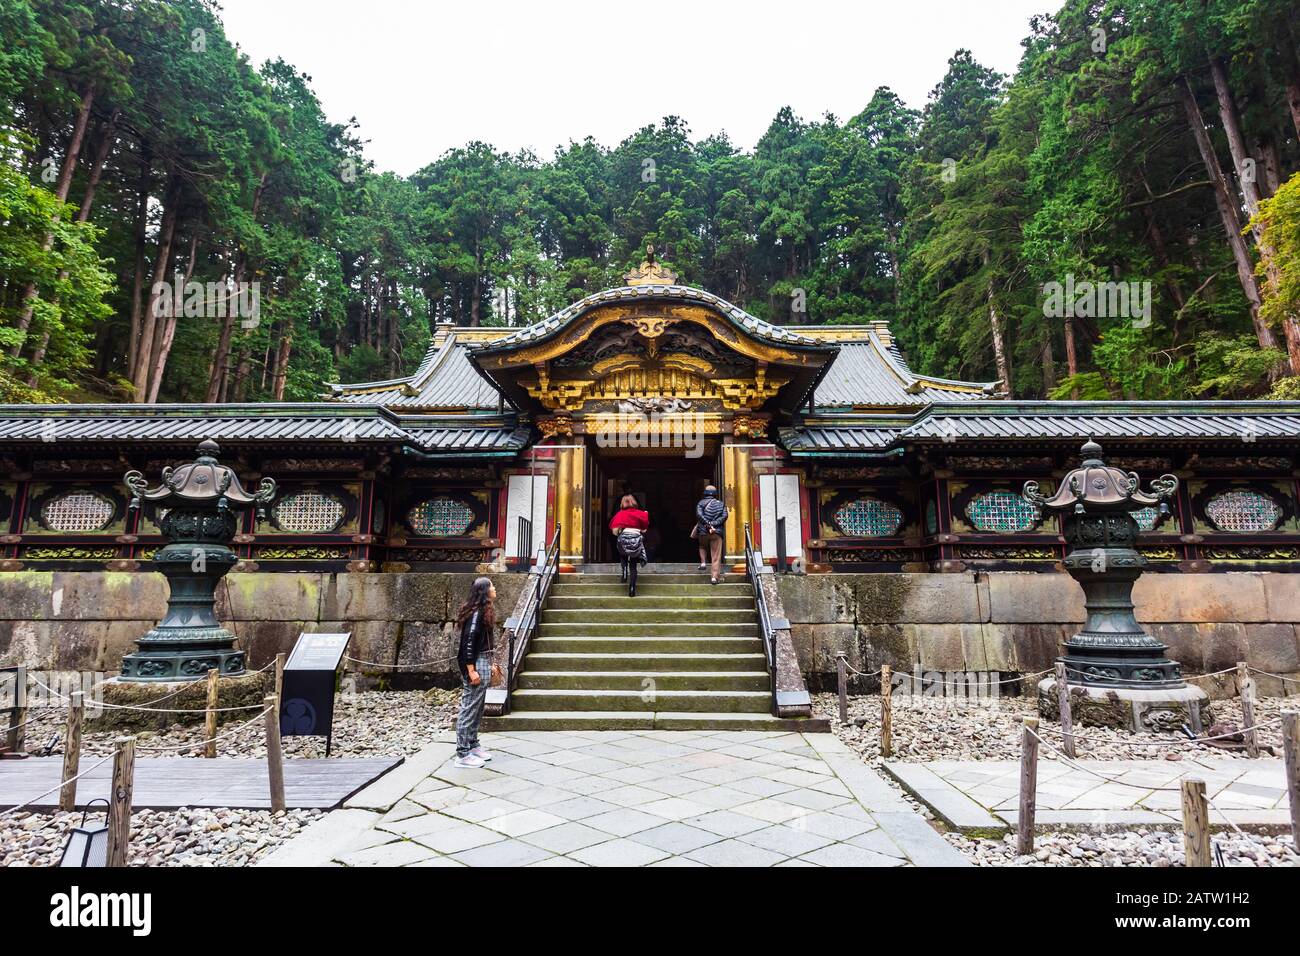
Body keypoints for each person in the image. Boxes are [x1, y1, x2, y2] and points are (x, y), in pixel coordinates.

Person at [453, 577, 500, 769]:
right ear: (484, 591)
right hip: (475, 661)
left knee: (478, 706)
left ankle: (472, 744)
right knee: (470, 707)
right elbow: (469, 641)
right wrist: (471, 669)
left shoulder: (482, 612)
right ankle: (462, 753)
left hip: (483, 660)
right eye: (491, 586)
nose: (495, 588)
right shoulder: (476, 614)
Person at [609, 494, 649, 596]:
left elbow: (614, 530)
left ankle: (624, 569)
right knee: (633, 565)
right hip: (636, 539)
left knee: (623, 553)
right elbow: (644, 529)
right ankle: (632, 589)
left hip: (623, 539)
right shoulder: (640, 514)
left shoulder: (620, 514)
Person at [694, 485, 728, 584]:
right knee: (716, 555)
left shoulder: (700, 503)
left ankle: (703, 562)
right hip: (716, 533)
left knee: (702, 546)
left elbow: (699, 515)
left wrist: (708, 524)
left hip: (703, 532)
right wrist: (714, 524)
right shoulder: (721, 504)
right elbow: (724, 516)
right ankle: (714, 577)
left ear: (705, 493)